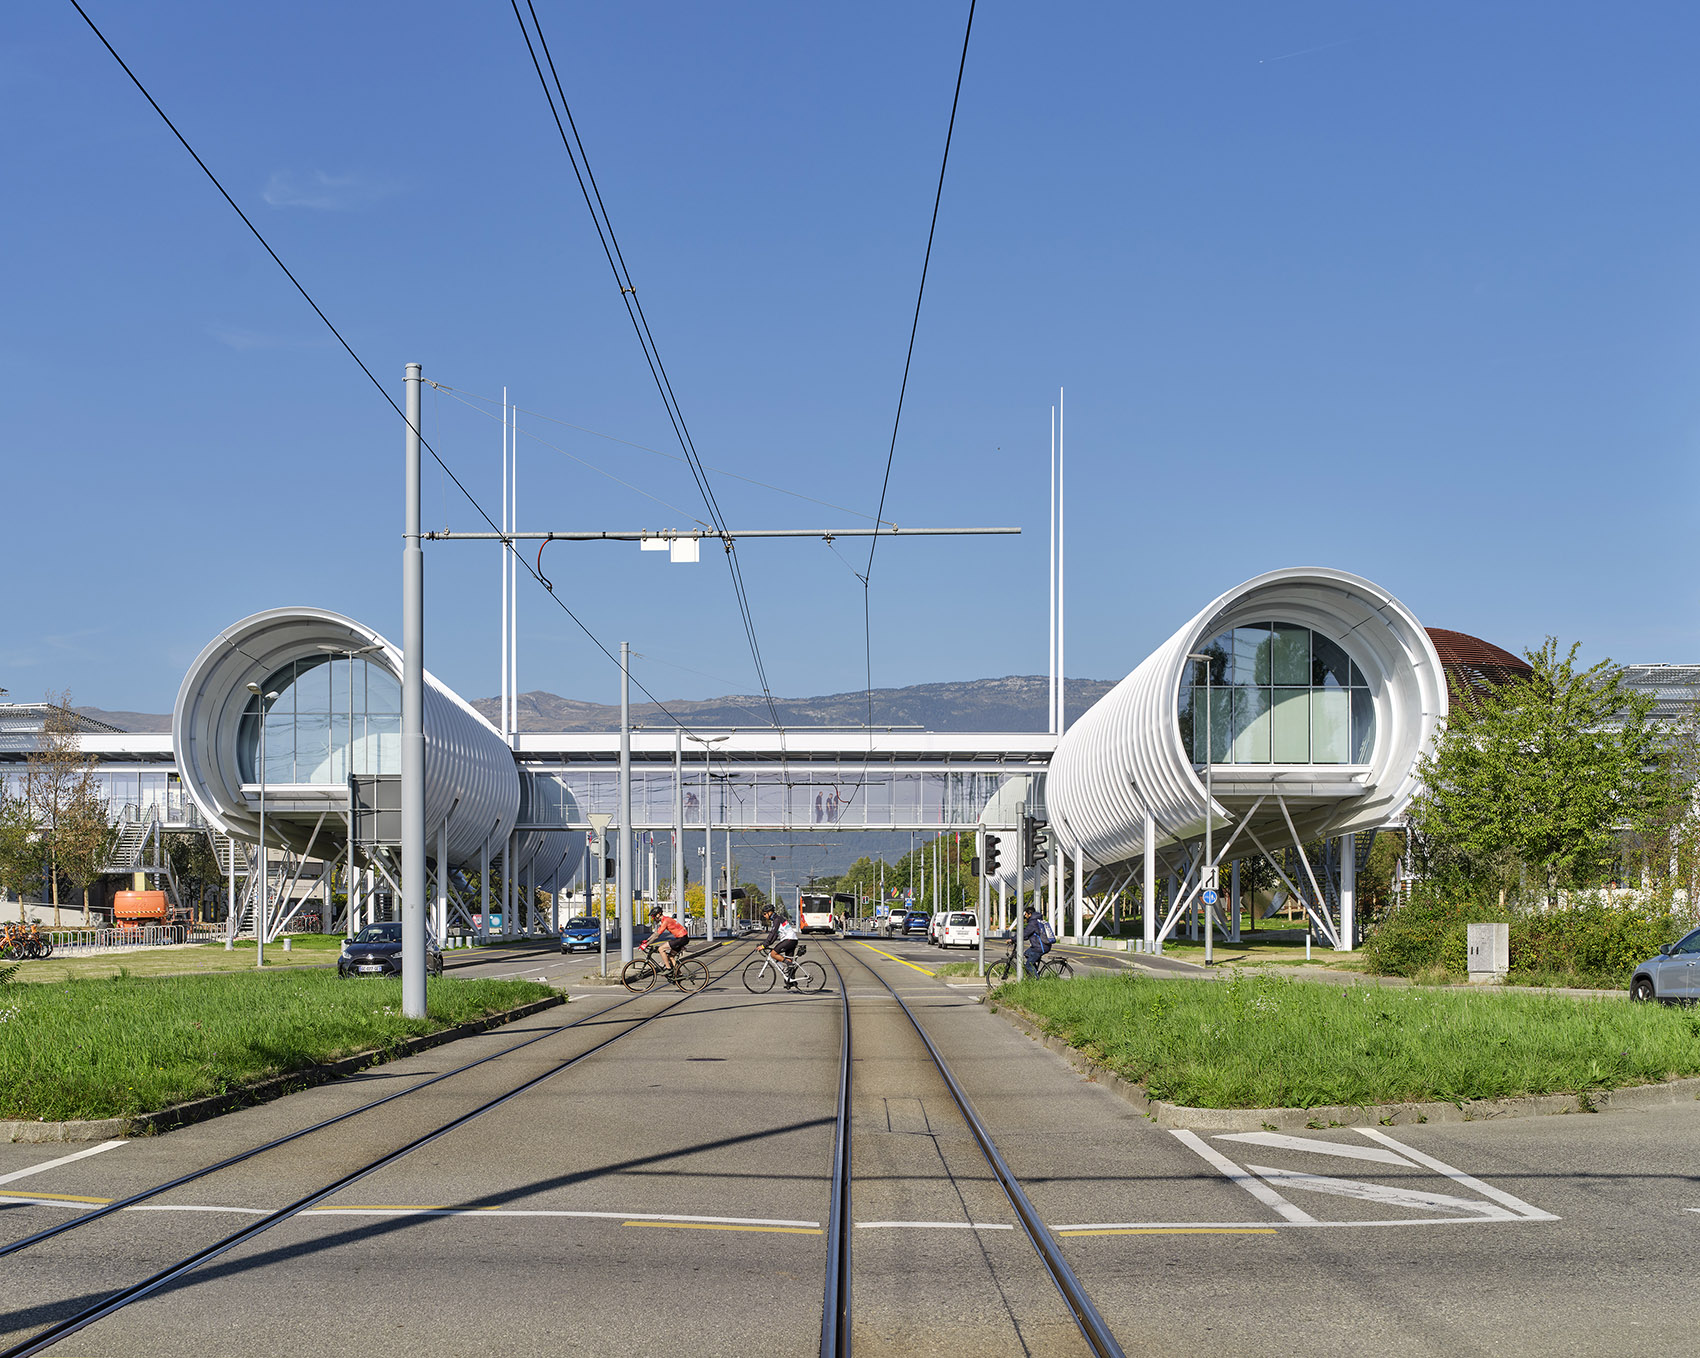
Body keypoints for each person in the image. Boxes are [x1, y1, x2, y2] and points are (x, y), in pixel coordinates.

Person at [760, 904, 801, 989]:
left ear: (770, 912)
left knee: (773, 954)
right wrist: (767, 944)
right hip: (792, 940)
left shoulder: (777, 919)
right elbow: (774, 937)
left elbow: (773, 933)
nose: (764, 916)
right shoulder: (777, 919)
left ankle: (789, 964)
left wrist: (764, 946)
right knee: (788, 964)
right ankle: (790, 981)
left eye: (765, 914)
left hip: (789, 940)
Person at [647, 905, 689, 977]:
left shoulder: (666, 921)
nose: (653, 918)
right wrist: (647, 940)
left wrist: (647, 944)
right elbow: (656, 932)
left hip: (681, 938)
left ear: (658, 914)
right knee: (671, 957)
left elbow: (657, 935)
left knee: (661, 949)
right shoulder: (664, 920)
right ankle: (679, 974)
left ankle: (668, 968)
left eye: (653, 916)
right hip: (682, 938)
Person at [1021, 903, 1054, 974]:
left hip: (1040, 947)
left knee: (1028, 965)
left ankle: (1037, 980)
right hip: (1041, 946)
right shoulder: (1038, 920)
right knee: (1027, 953)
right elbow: (1030, 934)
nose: (1025, 916)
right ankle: (1035, 971)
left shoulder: (1033, 922)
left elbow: (1024, 933)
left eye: (1026, 914)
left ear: (1029, 914)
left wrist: (1013, 939)